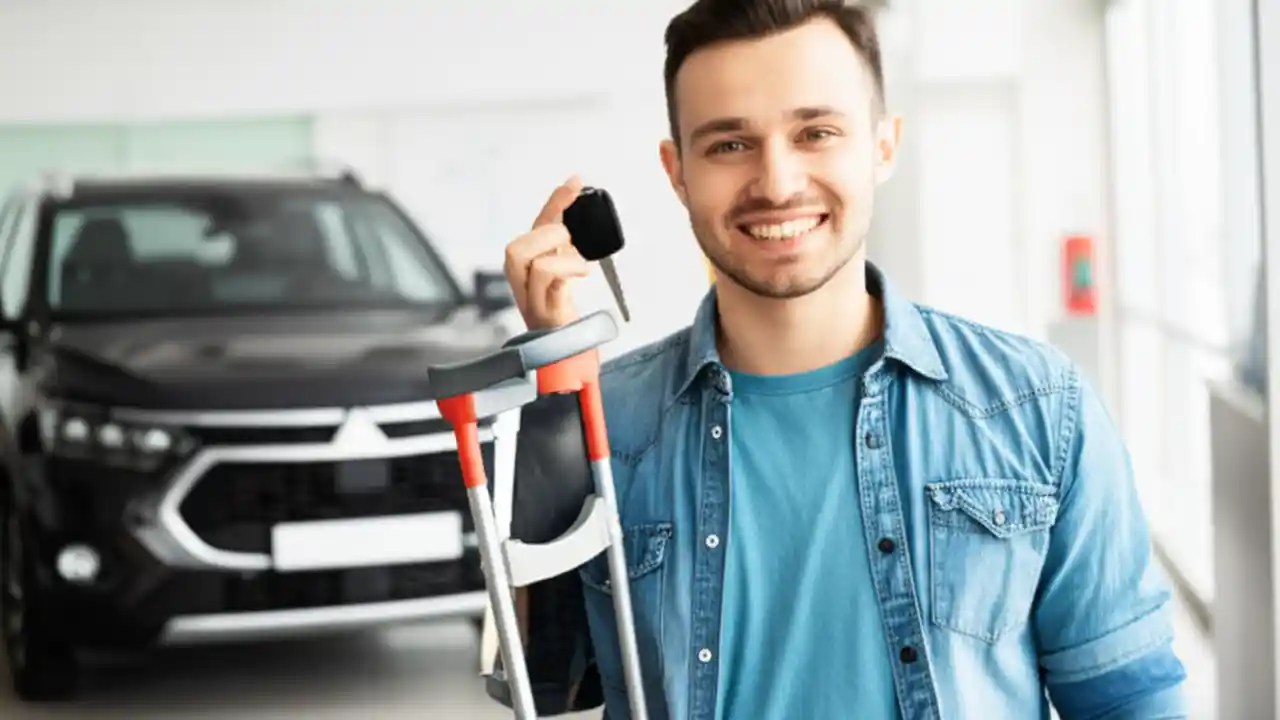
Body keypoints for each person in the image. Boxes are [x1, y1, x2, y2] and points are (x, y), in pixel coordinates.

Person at [498, 1, 1188, 718]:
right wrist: (555, 387)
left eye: (816, 132)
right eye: (730, 144)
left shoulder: (1041, 408)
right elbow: (546, 680)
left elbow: (1128, 698)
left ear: (883, 146)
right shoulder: (602, 419)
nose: (777, 181)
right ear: (677, 172)